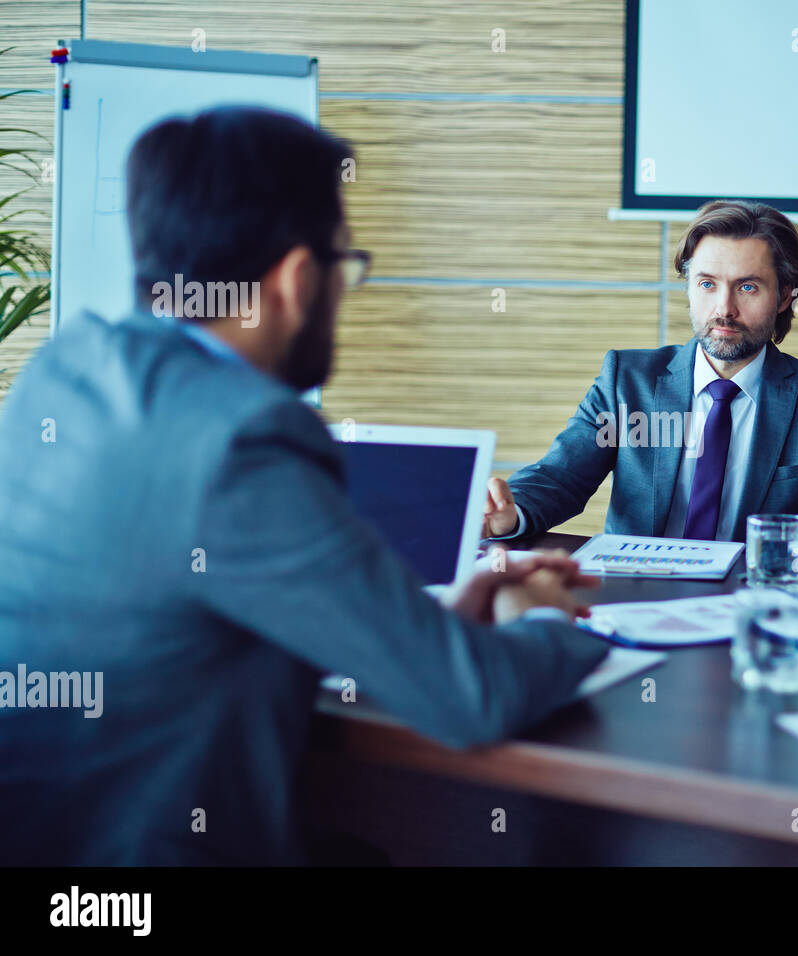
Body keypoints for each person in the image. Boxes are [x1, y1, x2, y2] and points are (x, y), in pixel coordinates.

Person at [0, 107, 608, 865]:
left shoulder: (63, 370)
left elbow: (178, 613)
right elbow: (469, 698)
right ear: (295, 279)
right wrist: (545, 617)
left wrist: (430, 625)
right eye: (344, 265)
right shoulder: (245, 439)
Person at [483, 200, 798, 562]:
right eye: (707, 284)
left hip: (749, 600)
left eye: (747, 287)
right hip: (637, 592)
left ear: (786, 297)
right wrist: (511, 513)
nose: (724, 308)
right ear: (688, 287)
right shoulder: (626, 381)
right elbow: (561, 476)